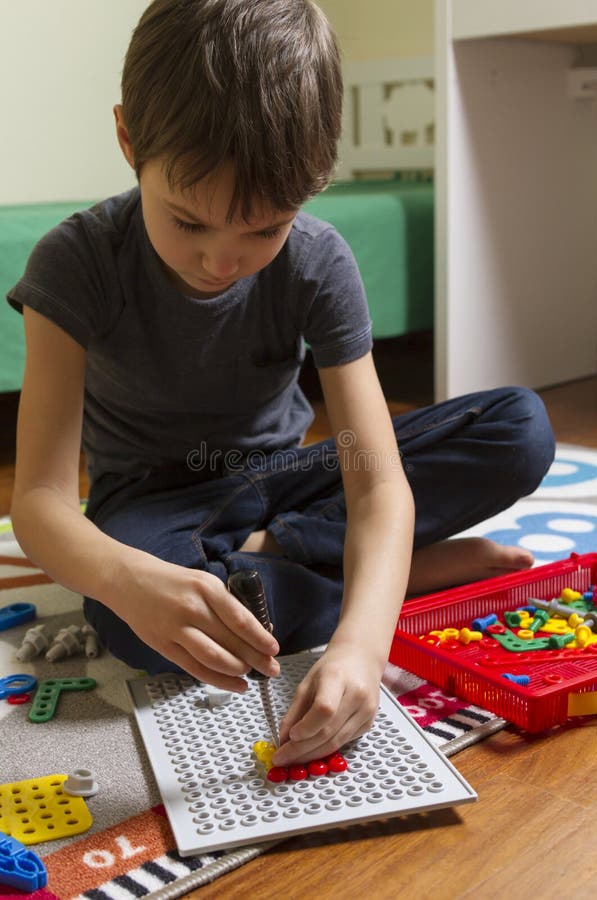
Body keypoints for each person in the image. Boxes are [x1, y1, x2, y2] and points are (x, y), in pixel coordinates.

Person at [8, 0, 554, 768]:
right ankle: (391, 574)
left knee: (520, 426)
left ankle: (306, 564)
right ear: (130, 138)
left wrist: (362, 650)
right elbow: (39, 503)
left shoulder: (317, 260)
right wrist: (125, 577)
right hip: (154, 503)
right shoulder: (77, 264)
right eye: (189, 222)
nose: (222, 261)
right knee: (128, 616)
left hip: (284, 481)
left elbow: (375, 485)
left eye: (264, 228)